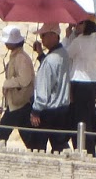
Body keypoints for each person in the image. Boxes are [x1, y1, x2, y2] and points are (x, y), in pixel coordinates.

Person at [65, 18, 96, 156]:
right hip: (93, 81)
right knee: (92, 117)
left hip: (80, 83)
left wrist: (68, 36)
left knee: (82, 121)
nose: (76, 26)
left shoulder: (78, 41)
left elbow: (67, 54)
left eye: (79, 23)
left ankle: (88, 152)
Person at [29, 25, 71, 153]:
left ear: (54, 35)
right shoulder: (63, 53)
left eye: (43, 35)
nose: (41, 39)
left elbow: (44, 88)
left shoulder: (50, 60)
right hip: (62, 108)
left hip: (48, 110)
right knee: (59, 147)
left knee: (38, 148)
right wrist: (41, 54)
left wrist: (36, 111)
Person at [0, 25, 35, 147]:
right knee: (29, 139)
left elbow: (25, 79)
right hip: (16, 104)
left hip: (19, 104)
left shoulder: (21, 58)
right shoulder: (16, 56)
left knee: (0, 136)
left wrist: (7, 83)